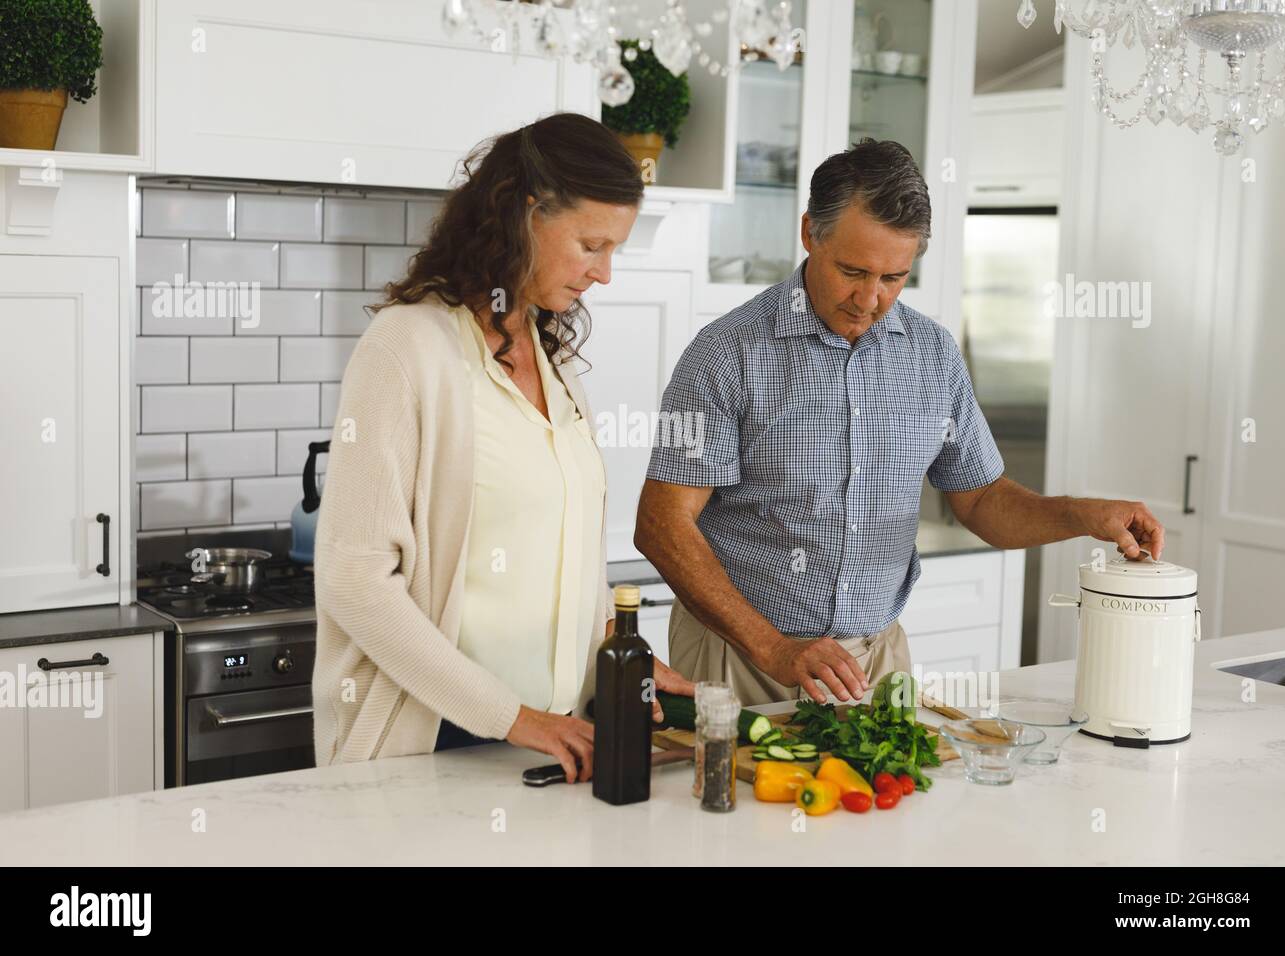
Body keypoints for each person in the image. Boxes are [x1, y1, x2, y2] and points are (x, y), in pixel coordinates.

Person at [635, 138, 1165, 708]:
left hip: (876, 660)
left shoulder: (933, 354)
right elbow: (662, 524)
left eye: (894, 277)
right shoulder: (727, 353)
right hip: (740, 657)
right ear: (811, 233)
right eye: (852, 271)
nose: (869, 299)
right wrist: (776, 649)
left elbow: (982, 500)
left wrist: (1083, 515)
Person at [313, 112, 693, 783]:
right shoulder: (407, 349)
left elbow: (563, 549)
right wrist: (513, 717)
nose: (604, 274)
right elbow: (355, 582)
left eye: (615, 251)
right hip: (438, 740)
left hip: (556, 739)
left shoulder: (554, 363)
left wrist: (615, 650)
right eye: (591, 246)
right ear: (525, 214)